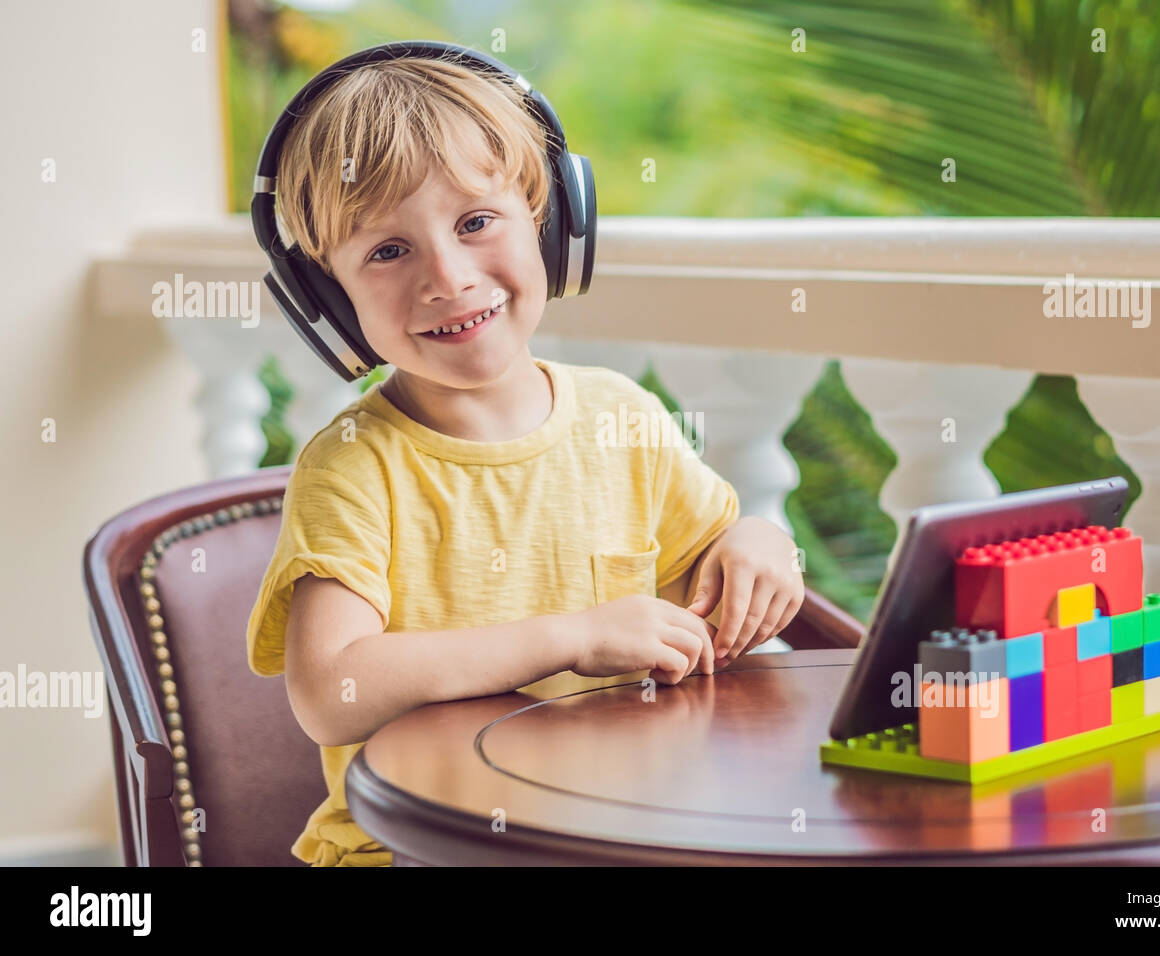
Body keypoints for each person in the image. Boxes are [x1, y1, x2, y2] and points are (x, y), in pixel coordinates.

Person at [246, 51, 804, 867]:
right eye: (388, 252)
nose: (447, 278)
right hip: (421, 848)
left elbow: (716, 560)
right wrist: (573, 637)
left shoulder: (620, 416)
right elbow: (333, 691)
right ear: (326, 299)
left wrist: (761, 541)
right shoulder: (355, 466)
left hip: (613, 834)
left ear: (549, 222)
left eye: (476, 222)